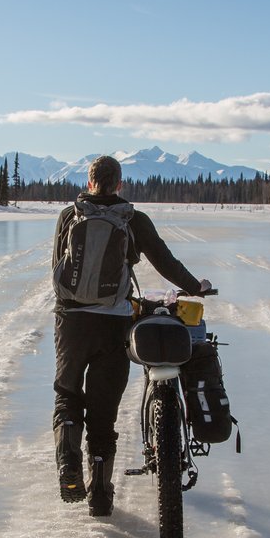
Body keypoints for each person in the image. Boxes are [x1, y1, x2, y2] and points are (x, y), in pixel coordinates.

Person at [53, 155, 211, 516]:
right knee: (103, 412)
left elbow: (57, 270)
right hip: (114, 324)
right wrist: (194, 287)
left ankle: (67, 460)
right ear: (120, 184)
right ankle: (100, 496)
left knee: (68, 395)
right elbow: (164, 261)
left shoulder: (69, 216)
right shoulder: (132, 219)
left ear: (90, 182)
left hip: (72, 323)